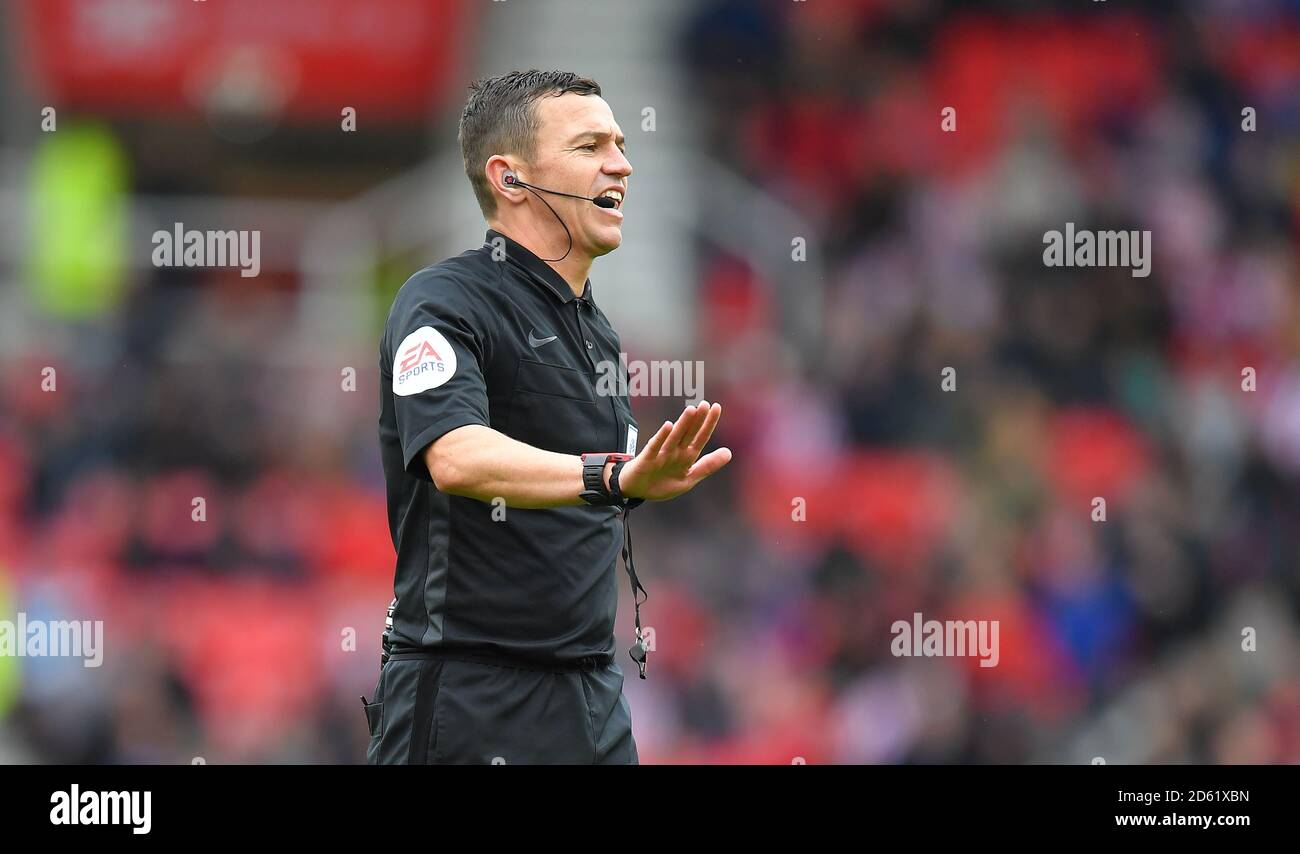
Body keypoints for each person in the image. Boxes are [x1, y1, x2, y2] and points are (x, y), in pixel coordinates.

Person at [364, 69, 732, 765]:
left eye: (620, 144)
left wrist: (637, 481)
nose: (620, 162)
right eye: (590, 146)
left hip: (591, 700)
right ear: (511, 179)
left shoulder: (598, 334)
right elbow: (456, 457)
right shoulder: (444, 300)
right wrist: (613, 477)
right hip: (470, 700)